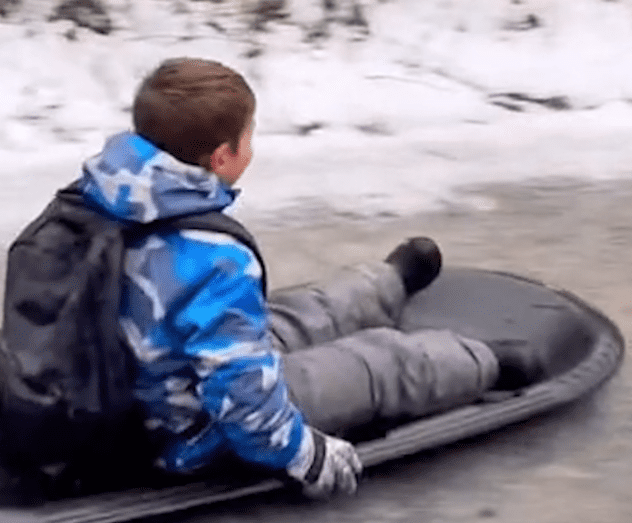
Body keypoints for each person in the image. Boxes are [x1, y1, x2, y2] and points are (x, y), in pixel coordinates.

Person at [68, 58, 501, 498]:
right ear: (222, 157)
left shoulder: (103, 194)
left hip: (139, 376)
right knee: (373, 362)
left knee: (300, 315)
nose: (251, 149)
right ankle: (479, 360)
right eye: (248, 139)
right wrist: (306, 456)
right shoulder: (214, 257)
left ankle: (385, 282)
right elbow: (246, 409)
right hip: (191, 430)